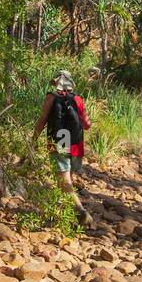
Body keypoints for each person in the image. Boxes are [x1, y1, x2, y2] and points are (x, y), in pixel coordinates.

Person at [31, 70, 92, 214]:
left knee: (63, 178)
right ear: (70, 84)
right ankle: (66, 211)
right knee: (68, 176)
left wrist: (33, 139)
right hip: (76, 142)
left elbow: (42, 120)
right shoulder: (78, 99)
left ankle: (79, 209)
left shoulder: (51, 97)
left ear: (56, 83)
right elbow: (87, 125)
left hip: (57, 140)